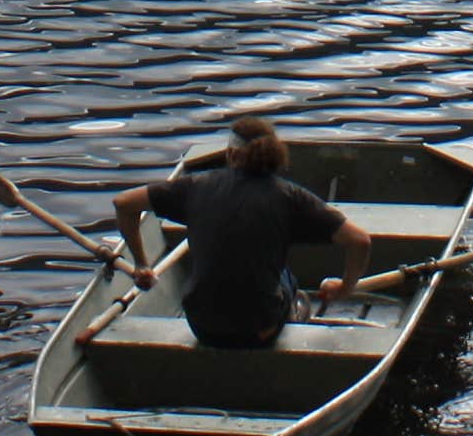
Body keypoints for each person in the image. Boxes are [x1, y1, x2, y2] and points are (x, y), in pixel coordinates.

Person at [111, 113, 373, 348]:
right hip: (259, 332)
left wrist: (142, 265)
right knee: (286, 277)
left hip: (202, 327)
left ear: (231, 154)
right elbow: (359, 240)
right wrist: (346, 287)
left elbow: (124, 204)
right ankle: (293, 311)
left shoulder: (193, 186)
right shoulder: (291, 196)